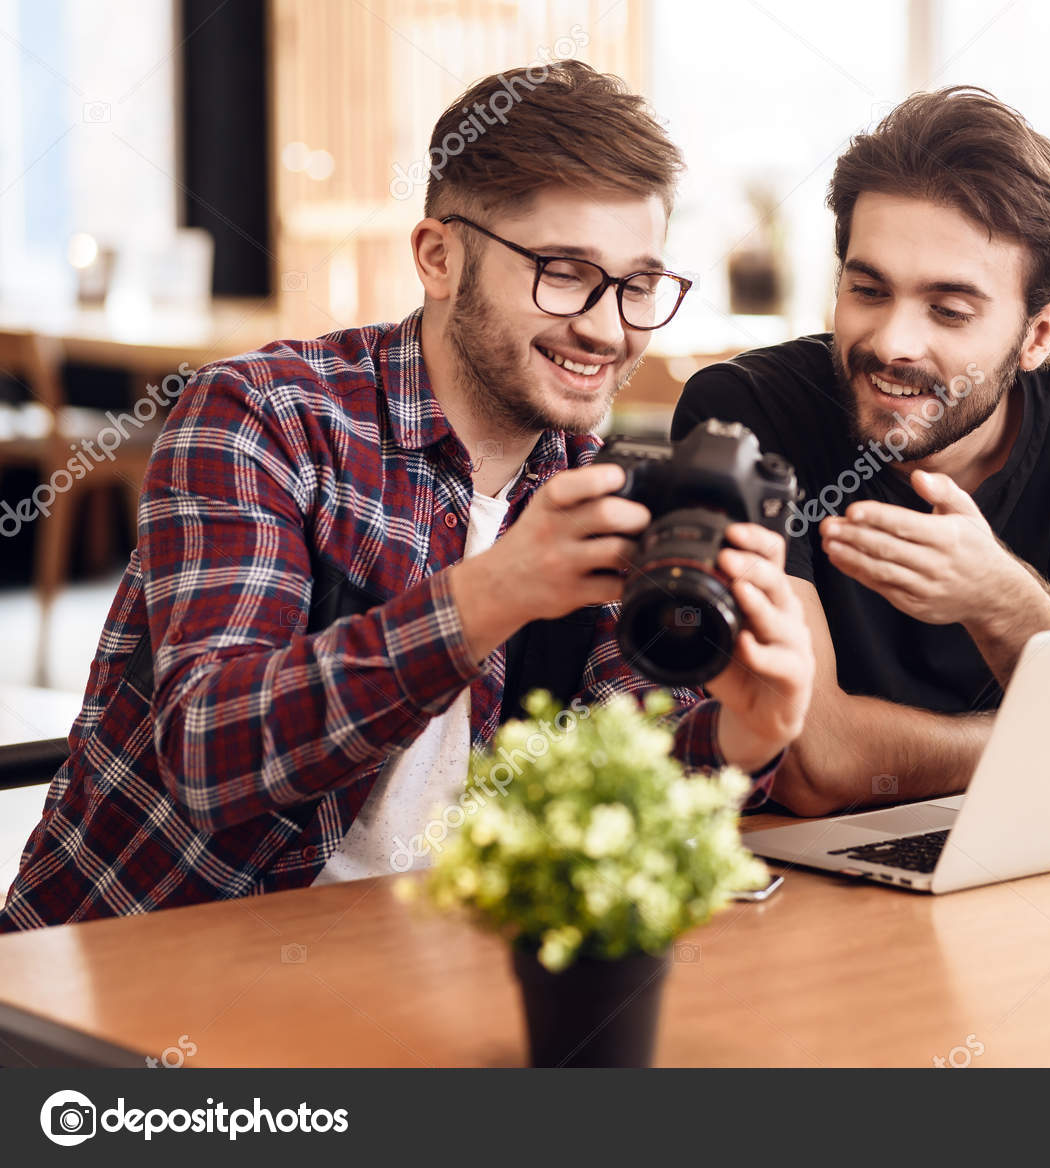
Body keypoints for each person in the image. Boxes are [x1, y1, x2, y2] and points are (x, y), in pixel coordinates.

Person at [1, 61, 812, 931]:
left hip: (421, 987)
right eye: (565, 271)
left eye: (640, 285)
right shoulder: (263, 418)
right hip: (126, 979)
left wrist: (742, 738)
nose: (609, 329)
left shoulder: (593, 482)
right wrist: (489, 596)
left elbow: (617, 780)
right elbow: (209, 752)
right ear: (439, 257)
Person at [674, 88, 1050, 817]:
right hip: (823, 885)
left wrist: (1001, 601)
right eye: (868, 289)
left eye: (948, 311)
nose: (892, 343)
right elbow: (815, 764)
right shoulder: (745, 414)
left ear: (1038, 334)